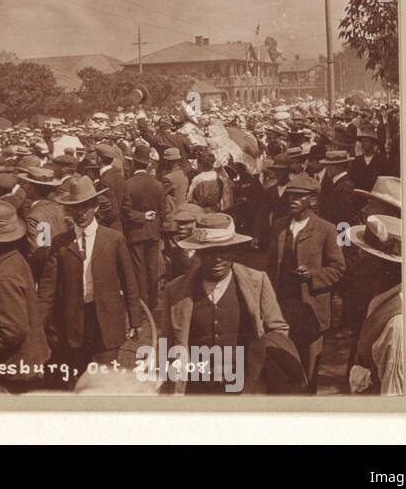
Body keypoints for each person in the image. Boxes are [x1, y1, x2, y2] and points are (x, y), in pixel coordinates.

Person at [162, 213, 294, 395]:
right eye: (209, 252)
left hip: (244, 386)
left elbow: (277, 329)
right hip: (196, 387)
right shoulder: (175, 290)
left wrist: (261, 362)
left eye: (223, 251)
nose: (217, 259)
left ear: (234, 251)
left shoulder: (257, 282)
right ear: (198, 252)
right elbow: (168, 343)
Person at [49, 175, 143, 383]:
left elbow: (129, 282)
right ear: (69, 210)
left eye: (86, 207)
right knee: (77, 379)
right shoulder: (61, 243)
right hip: (74, 323)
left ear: (95, 207)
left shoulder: (113, 239)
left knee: (104, 380)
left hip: (107, 321)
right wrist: (45, 324)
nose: (81, 213)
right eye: (75, 208)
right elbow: (50, 289)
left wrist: (135, 319)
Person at [266, 173, 346, 393]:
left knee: (309, 367)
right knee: (281, 360)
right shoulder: (280, 226)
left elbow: (338, 268)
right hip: (281, 304)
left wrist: (312, 275)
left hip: (311, 308)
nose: (292, 200)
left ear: (311, 200)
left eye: (299, 197)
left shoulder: (326, 229)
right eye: (291, 195)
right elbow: (271, 266)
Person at [0, 201, 50, 394]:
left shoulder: (5, 274)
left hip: (13, 369)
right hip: (19, 364)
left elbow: (13, 330)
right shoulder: (14, 259)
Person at [348, 214, 403, 396]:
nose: (354, 264)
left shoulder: (396, 323)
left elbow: (393, 395)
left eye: (360, 257)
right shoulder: (380, 302)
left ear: (375, 266)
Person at [122, 144, 166, 311]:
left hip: (136, 232)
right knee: (152, 268)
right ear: (148, 164)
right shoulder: (158, 184)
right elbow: (162, 211)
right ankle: (153, 300)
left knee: (139, 269)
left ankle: (143, 303)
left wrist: (141, 217)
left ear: (134, 163)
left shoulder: (128, 185)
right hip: (153, 232)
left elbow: (125, 212)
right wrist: (154, 223)